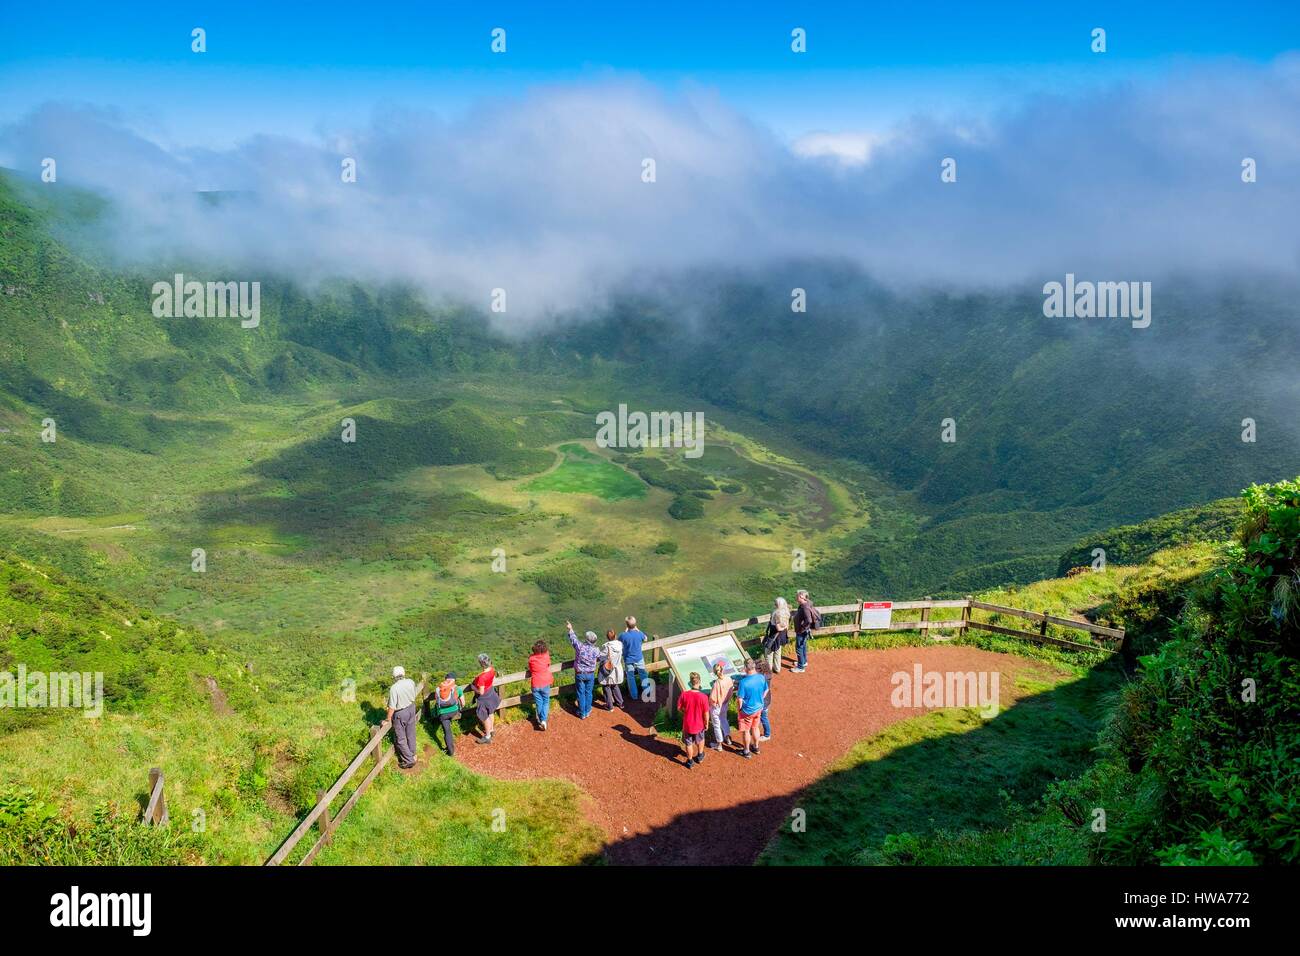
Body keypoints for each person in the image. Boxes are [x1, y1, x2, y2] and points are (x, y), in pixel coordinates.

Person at [386, 665, 419, 769]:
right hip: (411, 708)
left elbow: (392, 707)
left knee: (400, 738)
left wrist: (387, 719)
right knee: (411, 733)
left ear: (394, 676)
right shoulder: (411, 682)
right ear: (403, 673)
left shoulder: (394, 688)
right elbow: (414, 694)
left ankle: (409, 760)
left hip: (400, 713)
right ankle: (412, 754)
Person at [565, 621, 600, 718]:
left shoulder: (580, 647)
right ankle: (587, 710)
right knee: (588, 692)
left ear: (587, 640)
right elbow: (601, 657)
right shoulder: (596, 650)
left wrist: (570, 628)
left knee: (580, 693)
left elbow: (573, 639)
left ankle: (582, 713)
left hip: (580, 674)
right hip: (590, 674)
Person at [676, 672, 711, 768]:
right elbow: (706, 713)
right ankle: (700, 756)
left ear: (691, 682)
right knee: (701, 739)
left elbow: (679, 708)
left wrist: (685, 711)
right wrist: (706, 723)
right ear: (699, 681)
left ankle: (690, 762)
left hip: (687, 724)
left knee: (688, 743)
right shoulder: (703, 697)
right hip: (699, 724)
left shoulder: (684, 694)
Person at [733, 658, 767, 758]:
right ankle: (756, 747)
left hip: (747, 711)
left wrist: (739, 709)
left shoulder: (743, 682)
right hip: (759, 708)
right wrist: (760, 700)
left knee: (746, 731)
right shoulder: (761, 677)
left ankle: (746, 751)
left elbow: (739, 699)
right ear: (754, 666)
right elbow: (766, 690)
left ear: (745, 668)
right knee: (755, 727)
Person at [429, 671, 463, 756]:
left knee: (447, 732)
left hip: (443, 714)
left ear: (445, 680)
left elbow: (437, 702)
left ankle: (451, 751)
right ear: (454, 680)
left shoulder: (439, 689)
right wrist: (459, 709)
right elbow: (463, 702)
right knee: (449, 722)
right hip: (454, 711)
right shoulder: (457, 688)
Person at [471, 654, 500, 745]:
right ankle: (491, 730)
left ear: (481, 664)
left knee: (484, 716)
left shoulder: (482, 678)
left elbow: (481, 692)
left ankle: (487, 737)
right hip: (490, 693)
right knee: (491, 711)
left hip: (484, 697)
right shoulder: (492, 669)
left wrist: (473, 687)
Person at [620, 616, 649, 704]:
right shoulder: (639, 633)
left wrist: (626, 631)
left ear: (627, 625)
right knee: (643, 675)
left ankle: (634, 696)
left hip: (628, 659)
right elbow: (645, 638)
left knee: (630, 677)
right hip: (639, 658)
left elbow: (618, 641)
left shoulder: (623, 635)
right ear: (635, 625)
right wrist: (638, 629)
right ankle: (647, 693)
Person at [791, 589, 821, 673]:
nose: (796, 598)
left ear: (801, 596)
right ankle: (803, 662)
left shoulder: (805, 607)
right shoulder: (807, 604)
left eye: (797, 596)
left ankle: (800, 667)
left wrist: (802, 627)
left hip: (802, 631)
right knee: (803, 646)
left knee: (799, 648)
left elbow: (809, 620)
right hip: (805, 630)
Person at [707, 658, 734, 751]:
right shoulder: (729, 679)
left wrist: (709, 704)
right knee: (724, 720)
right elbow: (731, 691)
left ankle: (719, 744)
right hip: (725, 704)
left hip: (716, 706)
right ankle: (728, 738)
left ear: (715, 672)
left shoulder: (716, 683)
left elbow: (713, 698)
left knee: (716, 725)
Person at [528, 640, 553, 730]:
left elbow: (530, 669)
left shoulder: (531, 658)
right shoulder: (546, 656)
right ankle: (543, 720)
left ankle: (540, 720)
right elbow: (548, 664)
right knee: (546, 701)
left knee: (539, 702)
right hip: (546, 682)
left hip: (535, 683)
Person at [598, 629, 625, 711]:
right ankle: (620, 703)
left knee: (606, 686)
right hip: (617, 668)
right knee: (615, 685)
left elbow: (600, 656)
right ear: (615, 636)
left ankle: (609, 706)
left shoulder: (607, 646)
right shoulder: (620, 645)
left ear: (607, 637)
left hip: (608, 669)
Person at [763, 596, 791, 674]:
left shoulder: (777, 613)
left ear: (778, 604)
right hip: (781, 636)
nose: (774, 604)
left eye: (775, 603)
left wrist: (783, 627)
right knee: (778, 651)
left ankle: (768, 670)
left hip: (774, 635)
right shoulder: (786, 612)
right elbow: (787, 625)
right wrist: (785, 628)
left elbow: (778, 628)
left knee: (768, 652)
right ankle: (777, 668)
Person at [756, 658, 773, 741]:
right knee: (762, 716)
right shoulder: (767, 674)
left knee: (763, 718)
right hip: (767, 699)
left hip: (764, 701)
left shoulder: (762, 678)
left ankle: (767, 735)